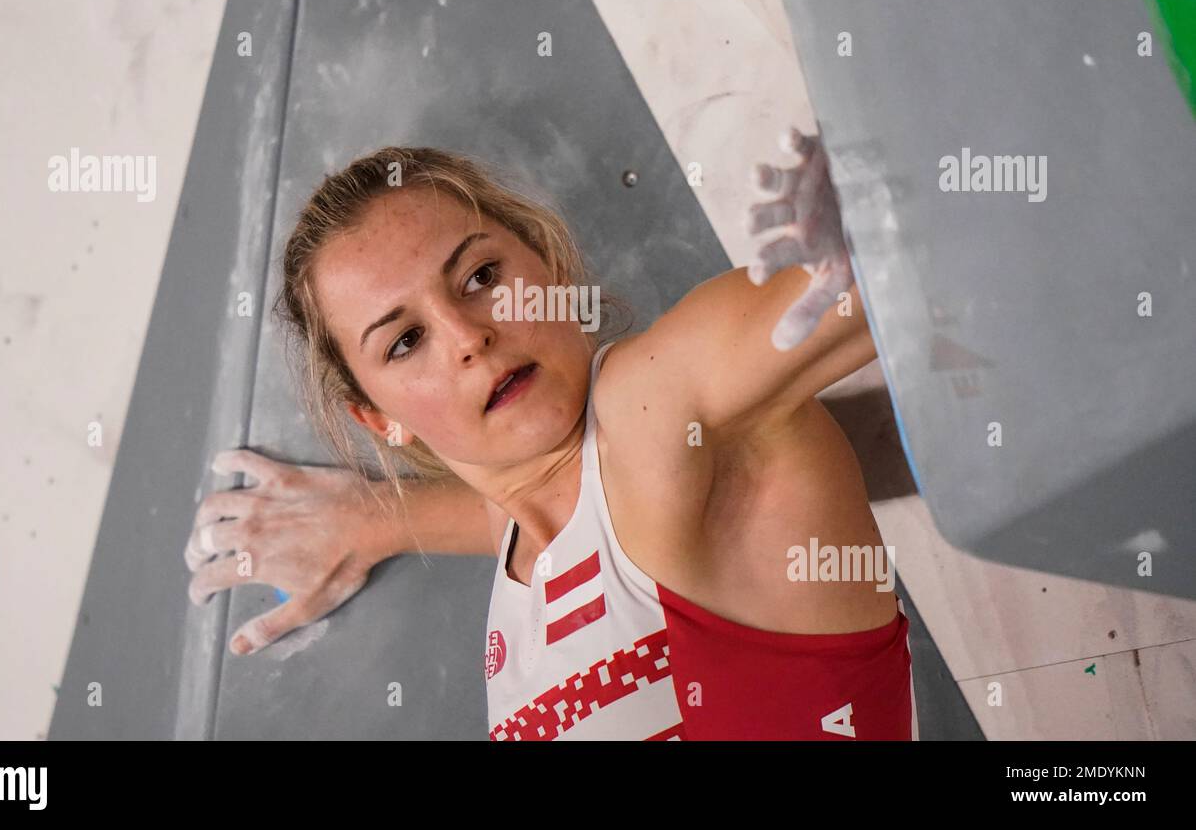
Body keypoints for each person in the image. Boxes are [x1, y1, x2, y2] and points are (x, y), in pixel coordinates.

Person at [183, 131, 916, 740]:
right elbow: (530, 508)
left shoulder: (652, 408)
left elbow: (877, 269)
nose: (468, 336)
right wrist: (373, 519)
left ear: (550, 264)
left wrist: (883, 218)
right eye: (406, 342)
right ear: (379, 420)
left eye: (480, 275)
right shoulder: (526, 547)